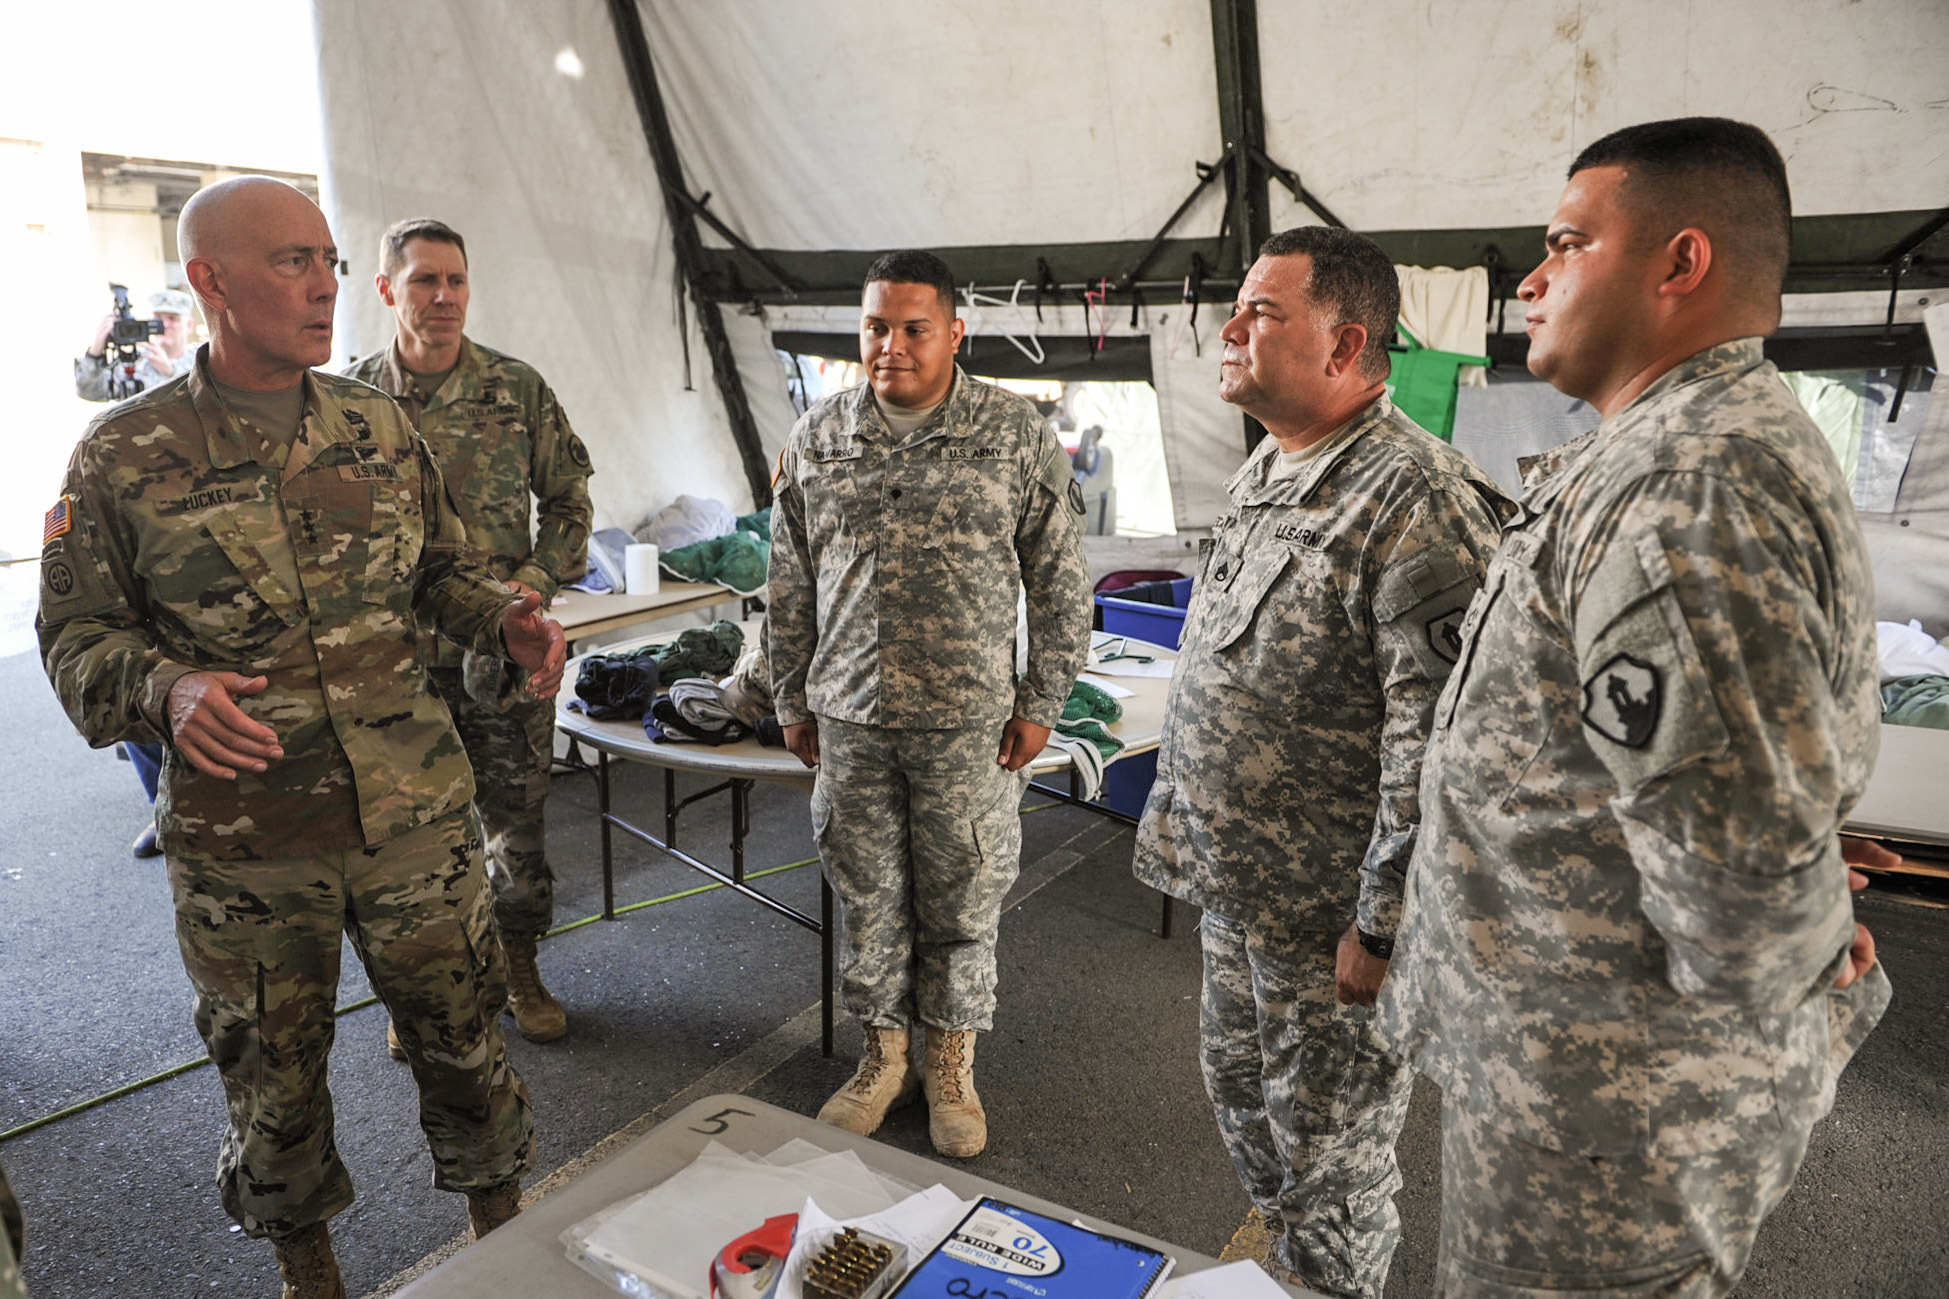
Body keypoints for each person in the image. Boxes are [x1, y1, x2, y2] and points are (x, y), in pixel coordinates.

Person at [1374, 117, 1890, 1296]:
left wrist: (1796, 929)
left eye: (1565, 242)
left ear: (1679, 264)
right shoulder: (1659, 450)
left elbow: (1734, 893)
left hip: (1611, 1118)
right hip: (1573, 1074)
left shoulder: (1684, 484)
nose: (1530, 275)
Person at [37, 176, 562, 1299]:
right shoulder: (123, 455)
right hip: (251, 842)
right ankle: (307, 1273)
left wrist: (505, 621)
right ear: (210, 281)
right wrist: (167, 688)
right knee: (273, 1083)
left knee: (466, 1044)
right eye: (291, 263)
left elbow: (440, 573)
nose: (324, 285)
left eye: (327, 260)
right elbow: (77, 639)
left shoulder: (378, 427)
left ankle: (504, 1244)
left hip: (415, 813)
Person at [1132, 227, 1510, 1297]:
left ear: (1344, 345)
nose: (1228, 329)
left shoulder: (1418, 500)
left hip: (1330, 921)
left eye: (1261, 314)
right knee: (1249, 1110)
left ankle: (1329, 1277)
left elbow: (1440, 747)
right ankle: (1296, 1256)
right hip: (1239, 889)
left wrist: (1384, 922)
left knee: (1332, 1160)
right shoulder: (1274, 463)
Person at [767, 249, 1090, 1158]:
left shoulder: (1015, 434)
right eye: (876, 326)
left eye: (914, 328)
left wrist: (1043, 696)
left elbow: (1060, 580)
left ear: (955, 332)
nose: (892, 346)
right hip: (851, 718)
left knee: (960, 897)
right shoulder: (819, 435)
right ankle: (882, 1059)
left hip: (968, 723)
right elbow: (788, 579)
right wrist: (790, 693)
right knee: (868, 896)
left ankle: (951, 1064)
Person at [346, 217, 594, 1045]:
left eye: (456, 280)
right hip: (396, 663)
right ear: (387, 290)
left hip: (501, 648)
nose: (444, 297)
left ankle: (519, 967)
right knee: (406, 841)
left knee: (515, 825)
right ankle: (425, 995)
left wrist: (534, 582)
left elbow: (569, 502)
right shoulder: (350, 405)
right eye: (424, 281)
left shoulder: (516, 389)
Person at [75, 288, 197, 401]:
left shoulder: (201, 359)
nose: (164, 324)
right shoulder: (135, 362)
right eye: (158, 317)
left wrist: (173, 373)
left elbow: (207, 398)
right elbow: (90, 392)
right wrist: (95, 353)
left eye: (173, 318)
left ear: (189, 325)